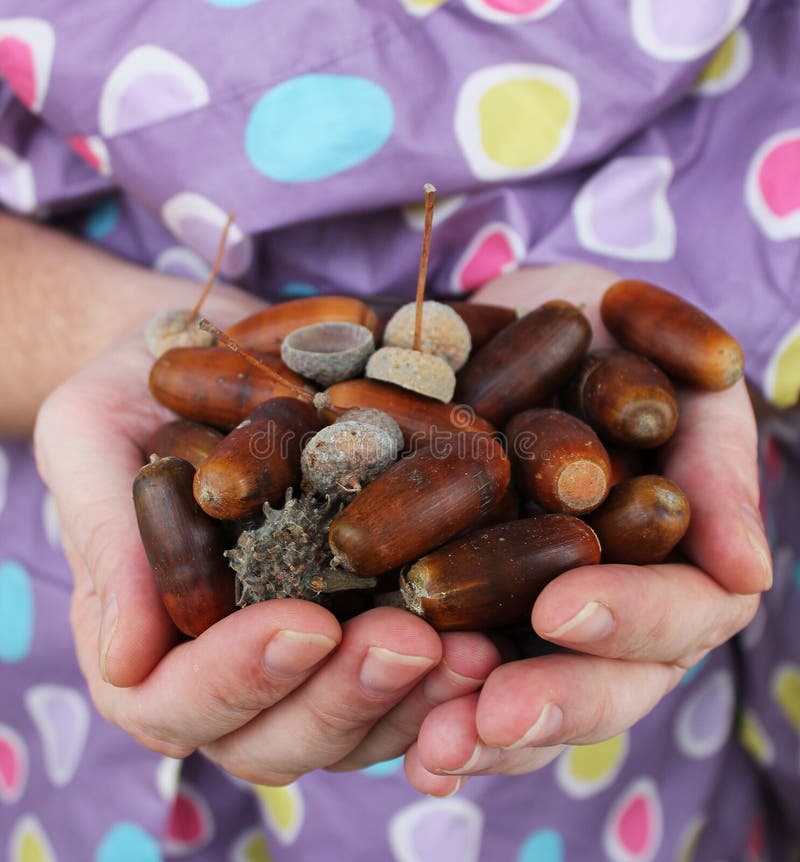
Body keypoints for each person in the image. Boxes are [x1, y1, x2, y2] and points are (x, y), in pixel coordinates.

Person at [0, 1, 797, 859]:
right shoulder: (294, 430)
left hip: (598, 762)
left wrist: (725, 322)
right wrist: (82, 336)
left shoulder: (471, 428)